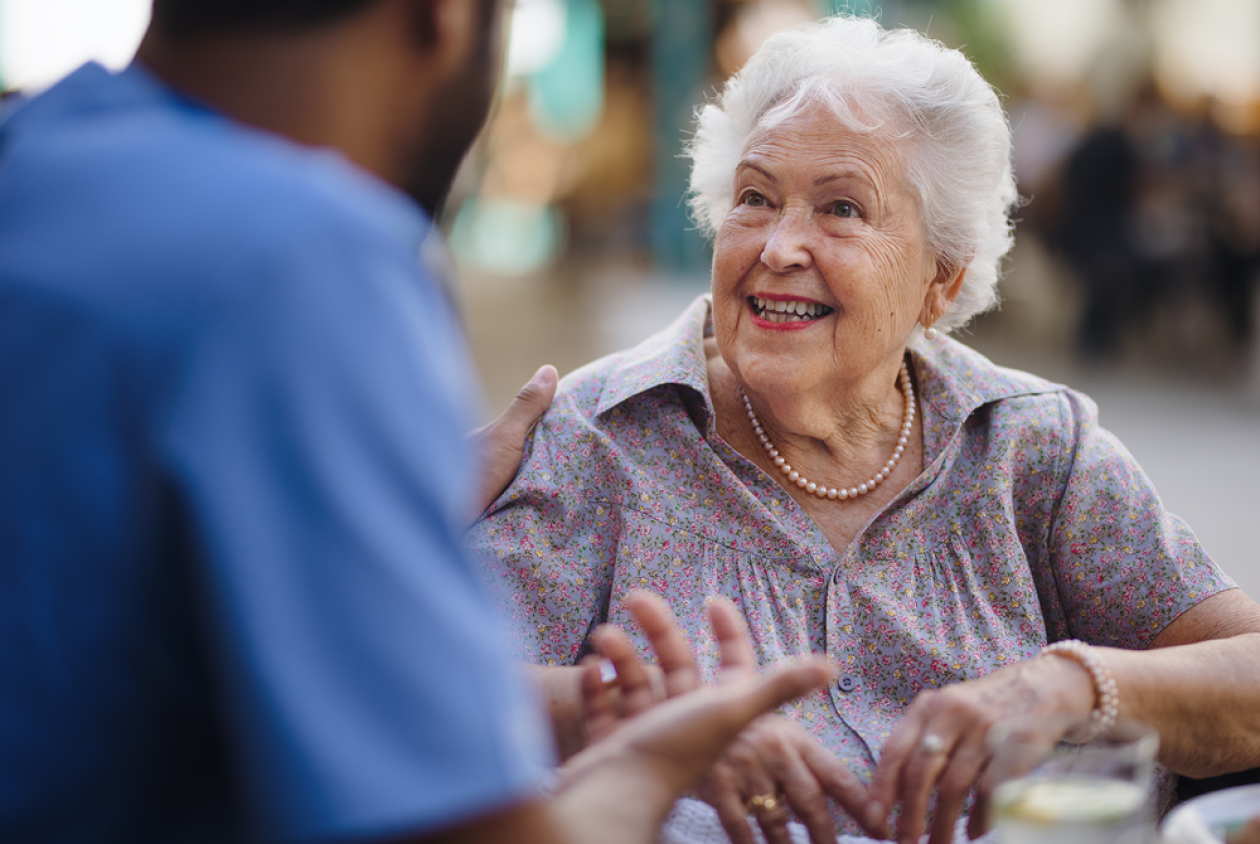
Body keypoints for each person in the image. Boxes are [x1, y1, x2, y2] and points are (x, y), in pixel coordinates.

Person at [0, 0, 836, 842]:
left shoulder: (32, 152)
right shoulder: (305, 257)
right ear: (443, 16)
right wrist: (656, 764)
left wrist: (376, 498)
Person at [467, 14, 1260, 844]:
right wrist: (634, 724)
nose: (778, 246)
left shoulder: (1034, 450)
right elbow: (418, 700)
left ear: (939, 284)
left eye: (841, 208)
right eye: (754, 198)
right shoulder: (596, 440)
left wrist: (1074, 684)